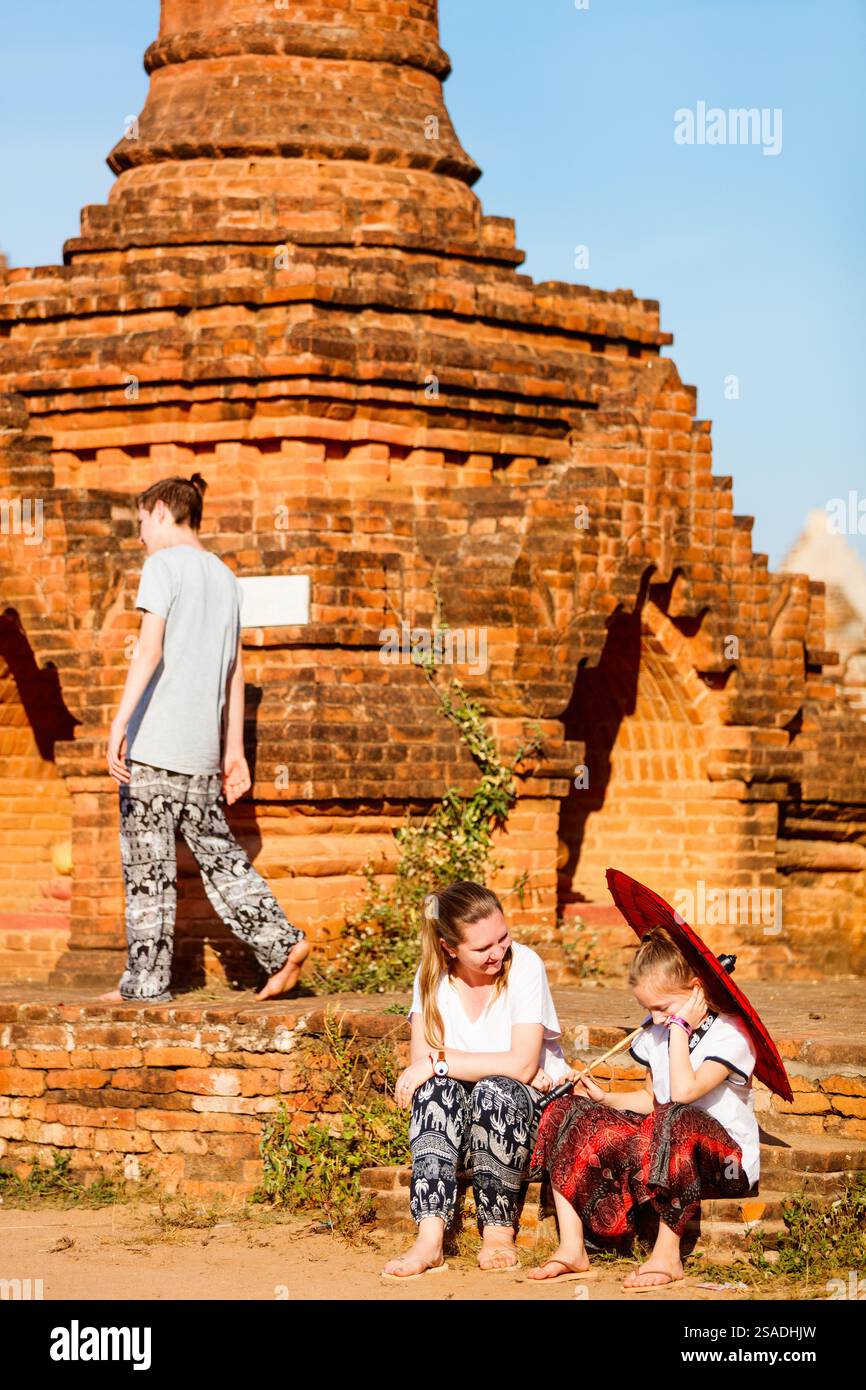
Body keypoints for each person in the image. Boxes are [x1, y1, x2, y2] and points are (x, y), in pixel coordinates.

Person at [103, 472, 309, 1004]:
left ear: (164, 512)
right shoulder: (223, 576)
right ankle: (282, 944)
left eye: (142, 521)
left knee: (149, 871)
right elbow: (234, 671)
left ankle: (146, 986)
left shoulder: (162, 566)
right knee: (221, 858)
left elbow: (148, 653)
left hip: (152, 748)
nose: (141, 534)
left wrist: (119, 722)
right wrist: (232, 751)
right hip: (199, 756)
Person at [527, 928, 759, 1290]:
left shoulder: (730, 1036)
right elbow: (652, 1098)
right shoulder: (657, 1031)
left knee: (676, 1115)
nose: (655, 1017)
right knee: (568, 1108)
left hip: (721, 1161)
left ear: (697, 990)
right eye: (647, 1008)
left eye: (662, 1007)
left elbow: (682, 1094)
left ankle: (667, 1254)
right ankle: (572, 1246)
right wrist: (603, 1099)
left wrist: (680, 1028)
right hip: (662, 1149)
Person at [381, 880, 571, 1280]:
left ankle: (499, 1231)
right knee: (437, 1090)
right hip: (460, 1133)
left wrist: (443, 1060)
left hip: (523, 1129)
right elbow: (422, 1066)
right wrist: (440, 1065)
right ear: (449, 947)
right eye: (482, 948)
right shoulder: (431, 977)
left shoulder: (525, 965)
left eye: (503, 938)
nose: (498, 952)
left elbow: (519, 1066)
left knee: (495, 1089)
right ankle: (430, 1239)